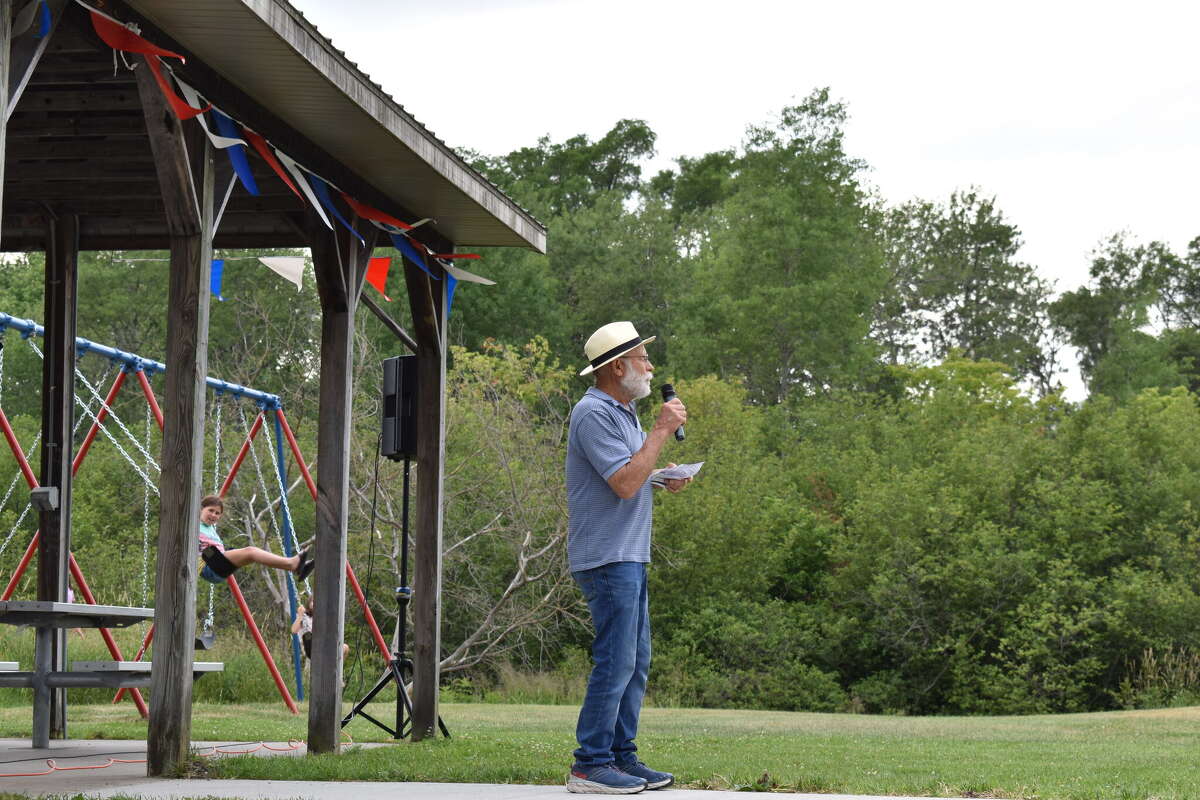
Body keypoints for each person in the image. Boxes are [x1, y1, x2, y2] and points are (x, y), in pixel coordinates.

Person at [565, 321, 692, 795]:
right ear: (618, 367)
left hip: (629, 553)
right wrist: (661, 430)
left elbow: (633, 474)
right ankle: (588, 764)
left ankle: (621, 756)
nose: (650, 366)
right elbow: (621, 483)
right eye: (643, 358)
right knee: (615, 660)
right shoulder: (592, 412)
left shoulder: (625, 413)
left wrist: (663, 475)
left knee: (635, 661)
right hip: (606, 555)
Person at [197, 494, 314, 585]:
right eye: (210, 510)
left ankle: (299, 568)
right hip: (209, 566)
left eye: (217, 513)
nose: (213, 515)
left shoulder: (211, 528)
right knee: (251, 552)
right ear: (201, 509)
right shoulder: (193, 524)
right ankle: (291, 564)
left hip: (216, 562)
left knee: (251, 556)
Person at [291, 597, 349, 661]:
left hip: (322, 645)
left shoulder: (321, 619)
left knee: (345, 647)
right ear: (309, 603)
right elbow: (294, 630)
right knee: (308, 634)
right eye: (313, 601)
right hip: (309, 646)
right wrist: (300, 616)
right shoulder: (303, 616)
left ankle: (335, 665)